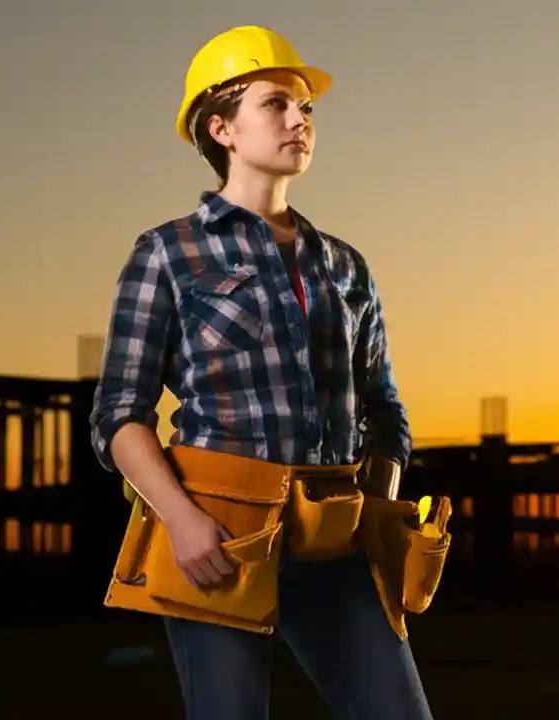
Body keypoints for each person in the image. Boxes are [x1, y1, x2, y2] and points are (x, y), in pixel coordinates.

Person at [89, 25, 433, 719]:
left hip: (336, 534)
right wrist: (181, 520)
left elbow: (385, 408)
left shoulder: (345, 265)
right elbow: (119, 415)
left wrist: (377, 502)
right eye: (276, 103)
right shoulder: (167, 253)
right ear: (221, 127)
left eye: (306, 109)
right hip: (220, 531)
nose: (299, 120)